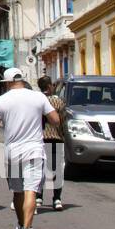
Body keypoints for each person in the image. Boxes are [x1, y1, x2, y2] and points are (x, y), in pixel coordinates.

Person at [0, 67, 61, 229]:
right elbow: (56, 120)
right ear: (22, 80)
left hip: (11, 152)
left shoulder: (1, 100)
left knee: (18, 192)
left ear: (8, 83)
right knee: (31, 190)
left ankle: (22, 226)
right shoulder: (38, 97)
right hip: (34, 150)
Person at [37, 75, 65, 211]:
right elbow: (63, 120)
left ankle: (38, 197)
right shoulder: (58, 102)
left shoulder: (37, 101)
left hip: (39, 139)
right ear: (49, 86)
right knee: (57, 169)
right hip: (56, 138)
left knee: (40, 169)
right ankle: (57, 199)